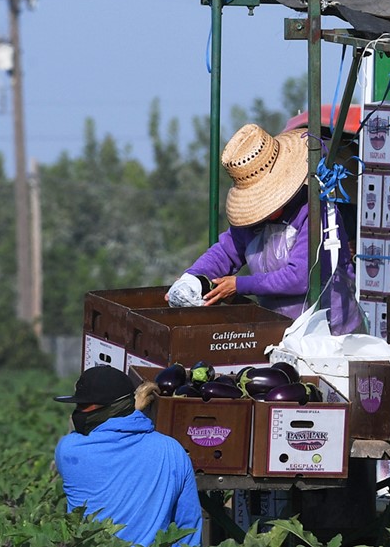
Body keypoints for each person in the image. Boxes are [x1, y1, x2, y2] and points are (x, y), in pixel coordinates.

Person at [175, 124, 363, 335]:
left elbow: (300, 277)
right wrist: (191, 278)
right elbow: (225, 252)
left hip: (330, 334)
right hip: (279, 331)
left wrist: (239, 285)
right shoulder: (251, 222)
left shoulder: (316, 214)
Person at [54, 366, 203, 547]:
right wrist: (133, 412)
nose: (78, 412)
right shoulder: (172, 451)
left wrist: (134, 410)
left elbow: (76, 427)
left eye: (83, 406)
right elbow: (188, 525)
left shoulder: (69, 450)